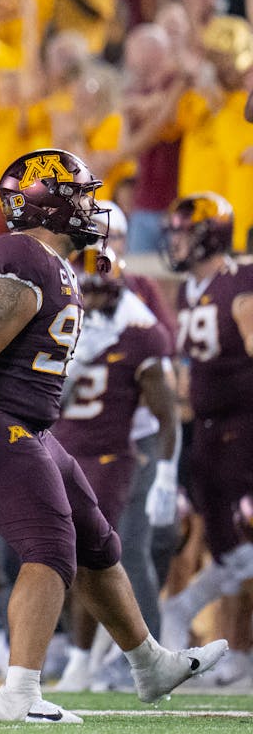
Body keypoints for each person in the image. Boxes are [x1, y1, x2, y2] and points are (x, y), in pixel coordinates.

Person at [0, 148, 226, 723]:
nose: (90, 207)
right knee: (51, 550)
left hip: (30, 426)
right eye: (78, 196)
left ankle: (150, 664)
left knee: (99, 545)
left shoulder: (51, 262)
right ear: (47, 205)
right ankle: (19, 695)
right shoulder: (23, 255)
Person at [52, 249, 180, 692]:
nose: (90, 300)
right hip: (58, 451)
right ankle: (80, 655)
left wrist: (165, 474)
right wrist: (69, 368)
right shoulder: (53, 324)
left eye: (99, 292)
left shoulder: (139, 332)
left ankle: (85, 658)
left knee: (93, 557)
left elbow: (167, 414)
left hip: (109, 458)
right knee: (53, 558)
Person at [159, 193, 253, 683]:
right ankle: (238, 652)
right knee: (225, 544)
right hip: (209, 429)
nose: (174, 241)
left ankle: (183, 610)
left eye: (183, 232)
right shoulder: (190, 290)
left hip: (244, 423)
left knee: (239, 535)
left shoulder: (238, 282)